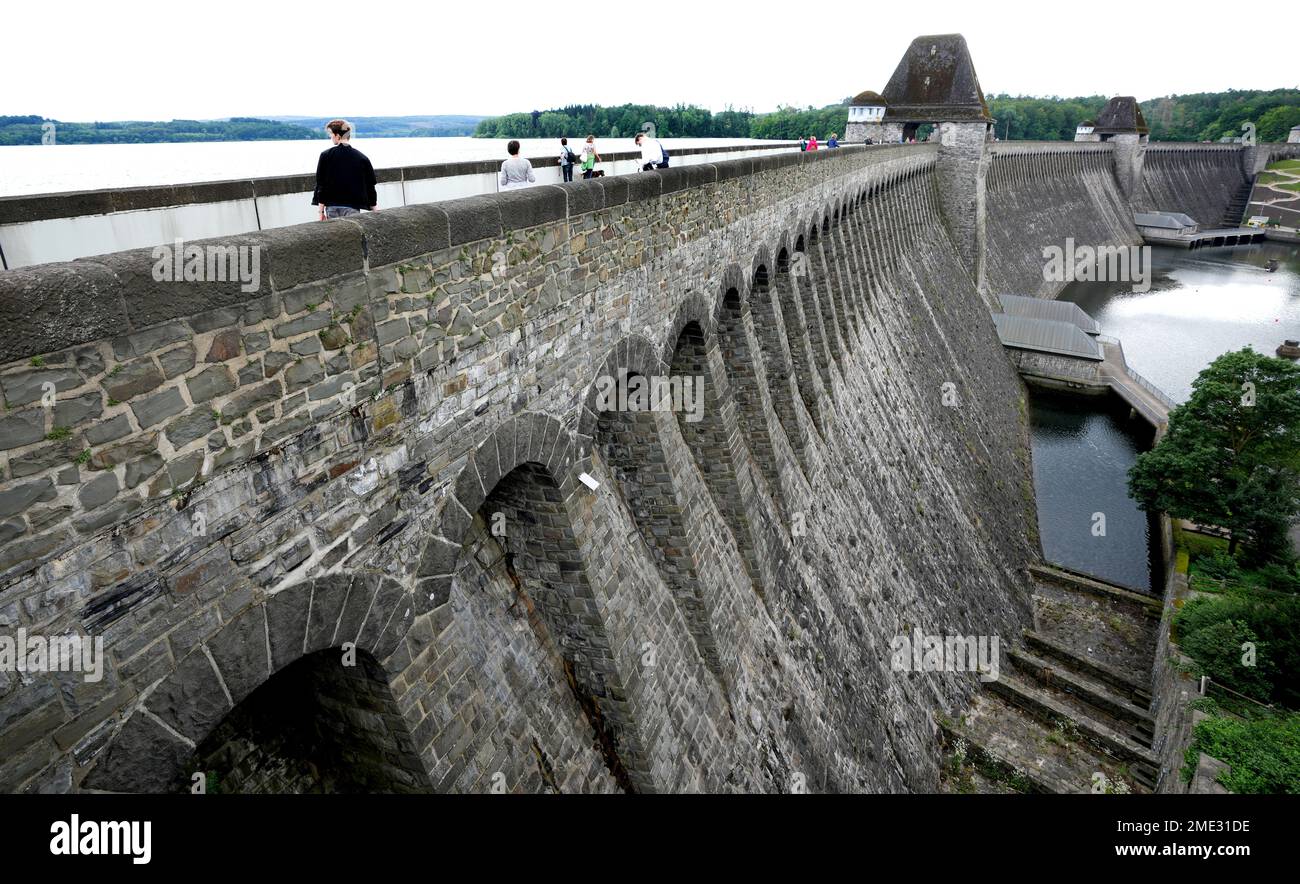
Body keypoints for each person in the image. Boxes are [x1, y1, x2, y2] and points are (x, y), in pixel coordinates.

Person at [311, 119, 377, 220]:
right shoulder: (361, 158)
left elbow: (321, 186)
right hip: (352, 208)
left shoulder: (326, 155)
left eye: (331, 134)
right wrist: (375, 210)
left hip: (332, 207)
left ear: (337, 135)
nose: (330, 137)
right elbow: (370, 185)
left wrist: (320, 211)